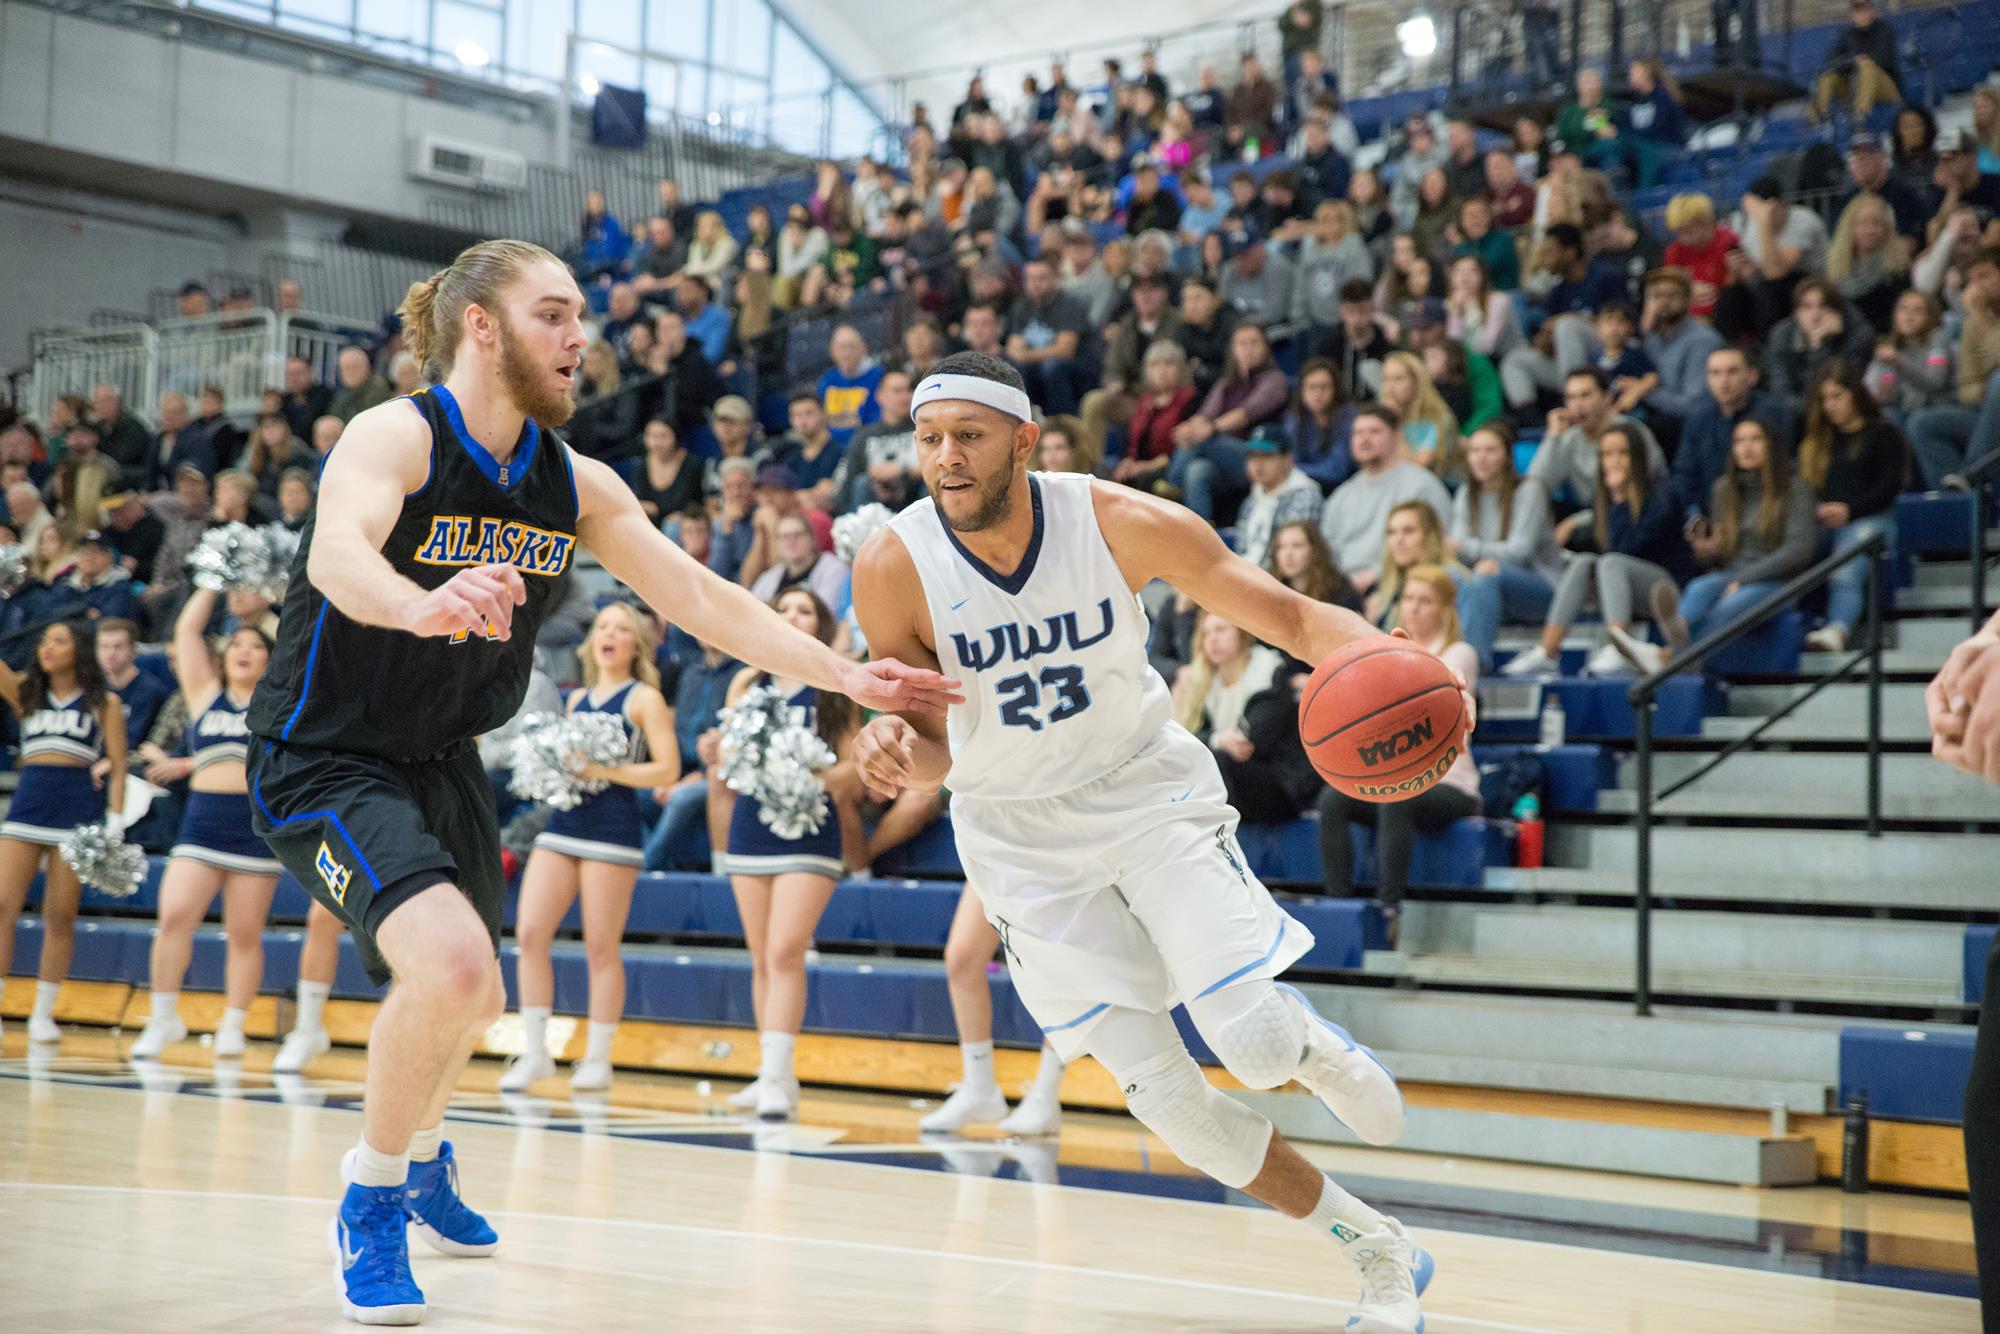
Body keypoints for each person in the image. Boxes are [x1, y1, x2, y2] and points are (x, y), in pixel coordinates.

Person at [243, 239, 953, 1324]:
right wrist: (412, 602)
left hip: (440, 755)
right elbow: (339, 551)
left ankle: (424, 1156)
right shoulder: (396, 433)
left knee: (472, 986)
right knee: (444, 960)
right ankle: (370, 1198)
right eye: (554, 315)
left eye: (580, 316)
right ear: (482, 326)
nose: (582, 337)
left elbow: (706, 598)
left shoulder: (573, 480)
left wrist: (844, 669)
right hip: (325, 753)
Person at [851, 353, 1439, 1332]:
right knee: (1169, 1103)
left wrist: (1397, 661)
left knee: (1247, 1045)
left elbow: (1291, 616)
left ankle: (1304, 1041)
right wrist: (887, 751)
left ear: (1025, 439)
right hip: (1019, 843)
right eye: (928, 438)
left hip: (1142, 798)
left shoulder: (1118, 520)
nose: (945, 458)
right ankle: (1376, 1247)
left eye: (968, 434)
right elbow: (929, 745)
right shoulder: (890, 562)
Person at [502, 604, 679, 1094]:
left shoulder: (644, 699)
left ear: (636, 645)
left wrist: (602, 772)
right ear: (591, 640)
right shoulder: (575, 696)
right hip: (563, 826)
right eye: (604, 627)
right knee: (531, 933)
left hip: (612, 831)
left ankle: (598, 1059)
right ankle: (535, 1052)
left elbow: (667, 770)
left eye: (622, 629)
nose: (611, 634)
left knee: (601, 948)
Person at [718, 589, 861, 1122]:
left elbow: (855, 766)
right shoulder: (746, 681)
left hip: (810, 827)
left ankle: (779, 1075)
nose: (791, 617)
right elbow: (730, 755)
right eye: (782, 609)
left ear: (821, 625)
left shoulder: (834, 684)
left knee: (784, 951)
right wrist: (722, 753)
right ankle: (770, 1074)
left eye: (804, 609)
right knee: (760, 955)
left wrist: (807, 778)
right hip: (751, 827)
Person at [128, 587, 280, 1059]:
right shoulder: (205, 695)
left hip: (255, 828)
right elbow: (187, 630)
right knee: (174, 917)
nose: (245, 652)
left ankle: (234, 1025)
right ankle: (162, 1018)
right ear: (224, 654)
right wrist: (217, 577)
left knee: (244, 933)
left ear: (270, 659)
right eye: (237, 644)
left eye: (256, 646)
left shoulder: (280, 704)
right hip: (201, 824)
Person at [1317, 565, 1480, 941]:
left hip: (1451, 783)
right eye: (1408, 599)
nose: (1415, 608)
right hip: (1397, 776)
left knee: (1397, 796)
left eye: (1425, 601)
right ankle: (1340, 909)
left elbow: (1425, 686)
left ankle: (1389, 911)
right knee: (1332, 800)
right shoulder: (1389, 653)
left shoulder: (1460, 652)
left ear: (1445, 609)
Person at [0, 620, 127, 1044]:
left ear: (80, 649)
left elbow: (119, 769)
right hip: (27, 806)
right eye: (43, 641)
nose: (47, 648)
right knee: (2, 905)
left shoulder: (102, 703)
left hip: (77, 813)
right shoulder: (26, 693)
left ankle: (42, 1011)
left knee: (60, 914)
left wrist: (116, 824)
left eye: (58, 640)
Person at [1503, 423, 1697, 678]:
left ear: (1637, 457)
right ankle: (1547, 651)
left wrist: (1620, 500)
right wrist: (1614, 501)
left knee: (1610, 562)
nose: (1613, 461)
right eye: (1607, 454)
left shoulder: (1661, 494)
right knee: (1583, 562)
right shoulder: (1604, 500)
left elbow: (1628, 547)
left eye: (1622, 453)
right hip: (1625, 587)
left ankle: (1618, 645)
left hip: (1666, 589)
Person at [918, 888, 1069, 1137]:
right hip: (996, 849)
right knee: (962, 957)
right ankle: (979, 1089)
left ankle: (1046, 1095)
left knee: (1058, 963)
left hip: (1059, 854)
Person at [1797, 363, 1909, 652]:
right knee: (1791, 551)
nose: (1829, 405)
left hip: (1873, 519)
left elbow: (1888, 488)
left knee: (1846, 565)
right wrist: (1816, 510)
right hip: (1824, 522)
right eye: (1824, 399)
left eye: (1837, 396)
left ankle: (1837, 629)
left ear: (1855, 395)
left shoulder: (1884, 433)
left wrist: (1849, 510)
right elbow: (1803, 490)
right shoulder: (1816, 441)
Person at [1681, 417, 1818, 645]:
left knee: (1727, 605)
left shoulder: (1796, 489)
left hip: (1777, 582)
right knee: (1698, 588)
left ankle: (1670, 657)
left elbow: (1799, 550)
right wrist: (1708, 551)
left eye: (1755, 439)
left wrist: (1744, 579)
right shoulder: (1723, 489)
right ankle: (1671, 648)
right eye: (1739, 441)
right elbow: (1725, 553)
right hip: (1732, 574)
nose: (1746, 447)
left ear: (1771, 446)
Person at [1450, 424, 1562, 668]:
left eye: (1490, 450)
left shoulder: (1529, 490)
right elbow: (1455, 551)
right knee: (1446, 577)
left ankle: (1475, 666)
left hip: (1542, 584)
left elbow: (1519, 551)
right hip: (1488, 582)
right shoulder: (1465, 493)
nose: (1481, 457)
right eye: (1474, 450)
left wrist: (1473, 550)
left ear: (1507, 455)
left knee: (1486, 575)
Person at [1320, 403, 1453, 592]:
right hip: (1345, 589)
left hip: (1399, 584)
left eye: (1374, 431)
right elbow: (1327, 552)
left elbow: (1436, 547)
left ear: (1396, 435)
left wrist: (1379, 574)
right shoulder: (1341, 496)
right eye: (1358, 433)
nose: (1364, 439)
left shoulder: (1422, 486)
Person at [1235, 425, 1326, 568]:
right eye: (1252, 456)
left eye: (1266, 456)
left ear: (1287, 459)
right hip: (1247, 577)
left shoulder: (1304, 495)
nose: (1258, 464)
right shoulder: (1252, 498)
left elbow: (1290, 563)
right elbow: (1241, 550)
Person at [1813, 0, 1902, 124]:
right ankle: (1819, 118)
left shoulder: (1885, 30)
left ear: (1872, 12)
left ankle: (1860, 116)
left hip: (1885, 88)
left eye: (1865, 11)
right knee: (1828, 76)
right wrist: (1853, 62)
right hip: (1854, 88)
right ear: (1852, 16)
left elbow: (1882, 59)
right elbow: (1831, 62)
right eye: (1857, 12)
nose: (1861, 15)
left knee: (1867, 66)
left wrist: (1860, 62)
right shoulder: (1847, 35)